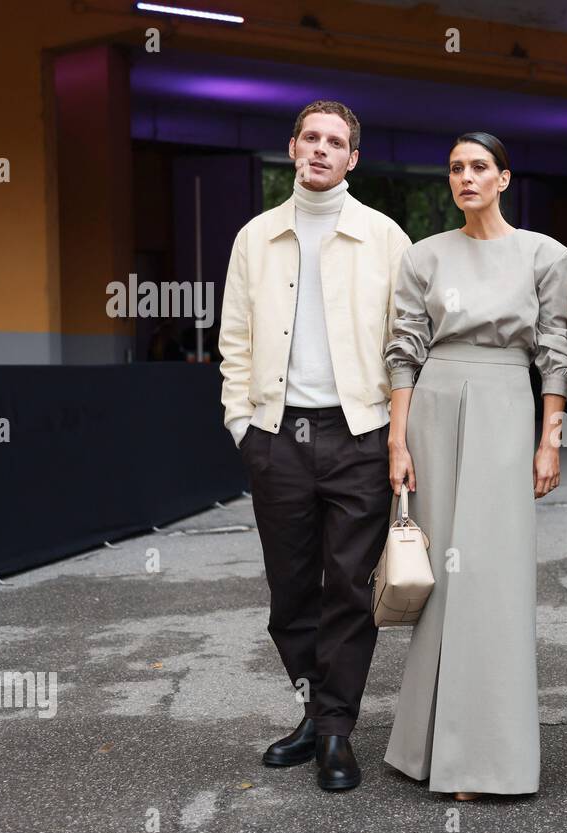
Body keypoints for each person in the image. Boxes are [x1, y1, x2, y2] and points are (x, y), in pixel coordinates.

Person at [219, 100, 412, 792]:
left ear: (353, 158)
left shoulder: (386, 237)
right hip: (278, 435)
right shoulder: (256, 238)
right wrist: (244, 428)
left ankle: (335, 731)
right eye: (312, 138)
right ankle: (310, 710)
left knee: (348, 591)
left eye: (337, 142)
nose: (322, 149)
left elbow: (405, 345)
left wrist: (397, 435)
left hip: (357, 433)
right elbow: (234, 342)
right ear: (293, 146)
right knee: (291, 592)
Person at [382, 132, 567, 801]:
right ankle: (429, 749)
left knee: (493, 579)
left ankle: (487, 759)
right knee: (440, 577)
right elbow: (404, 347)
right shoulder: (423, 255)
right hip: (432, 407)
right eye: (457, 168)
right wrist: (397, 441)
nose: (466, 177)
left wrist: (549, 439)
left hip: (503, 404)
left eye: (479, 167)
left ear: (504, 178)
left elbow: (555, 349)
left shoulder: (546, 255)